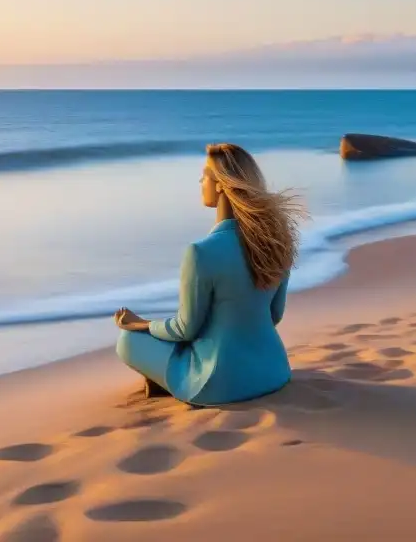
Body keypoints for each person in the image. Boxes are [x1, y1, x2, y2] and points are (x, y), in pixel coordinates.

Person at [114, 143, 305, 404]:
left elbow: (185, 329)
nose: (200, 180)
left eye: (205, 175)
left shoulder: (201, 252)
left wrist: (143, 324)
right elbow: (274, 315)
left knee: (128, 340)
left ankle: (169, 381)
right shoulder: (276, 242)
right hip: (274, 373)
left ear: (219, 185)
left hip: (220, 385)